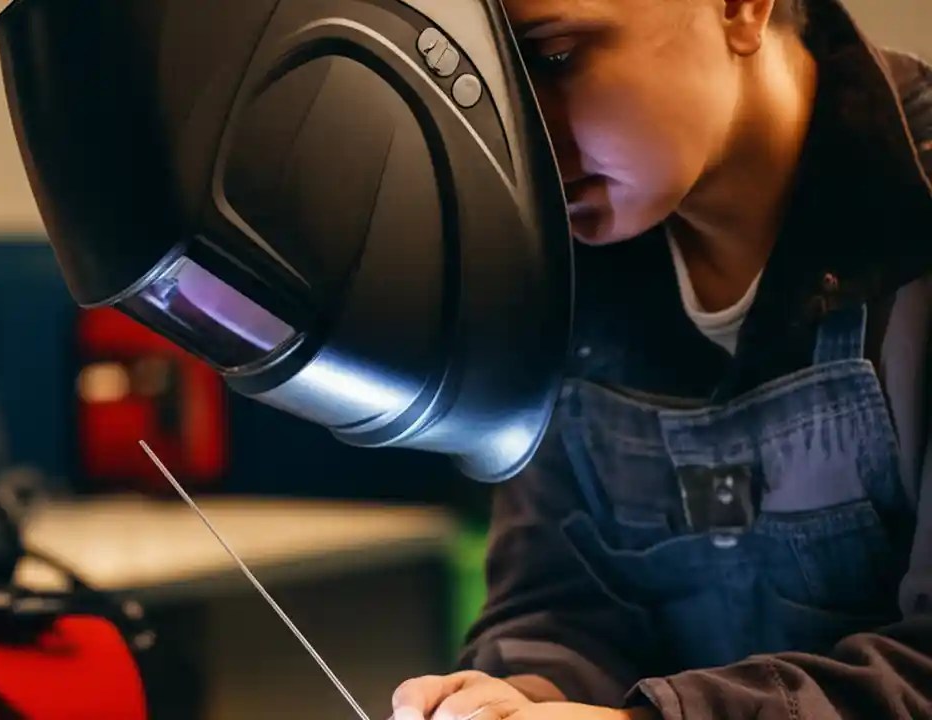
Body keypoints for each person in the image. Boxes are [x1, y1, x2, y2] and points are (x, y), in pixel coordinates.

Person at [389, 0, 931, 719]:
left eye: (554, 59)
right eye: (498, 87)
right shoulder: (563, 266)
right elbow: (562, 601)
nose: (525, 136)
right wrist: (515, 698)